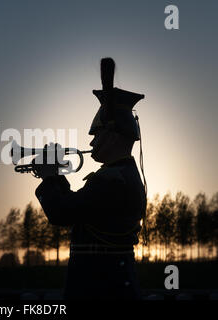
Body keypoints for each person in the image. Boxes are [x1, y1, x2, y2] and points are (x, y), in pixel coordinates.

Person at [34, 58, 146, 299]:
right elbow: (80, 208)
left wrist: (50, 176)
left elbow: (62, 213)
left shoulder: (112, 180)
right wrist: (55, 178)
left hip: (100, 289)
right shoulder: (120, 176)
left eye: (97, 135)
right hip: (110, 284)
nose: (92, 142)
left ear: (114, 137)